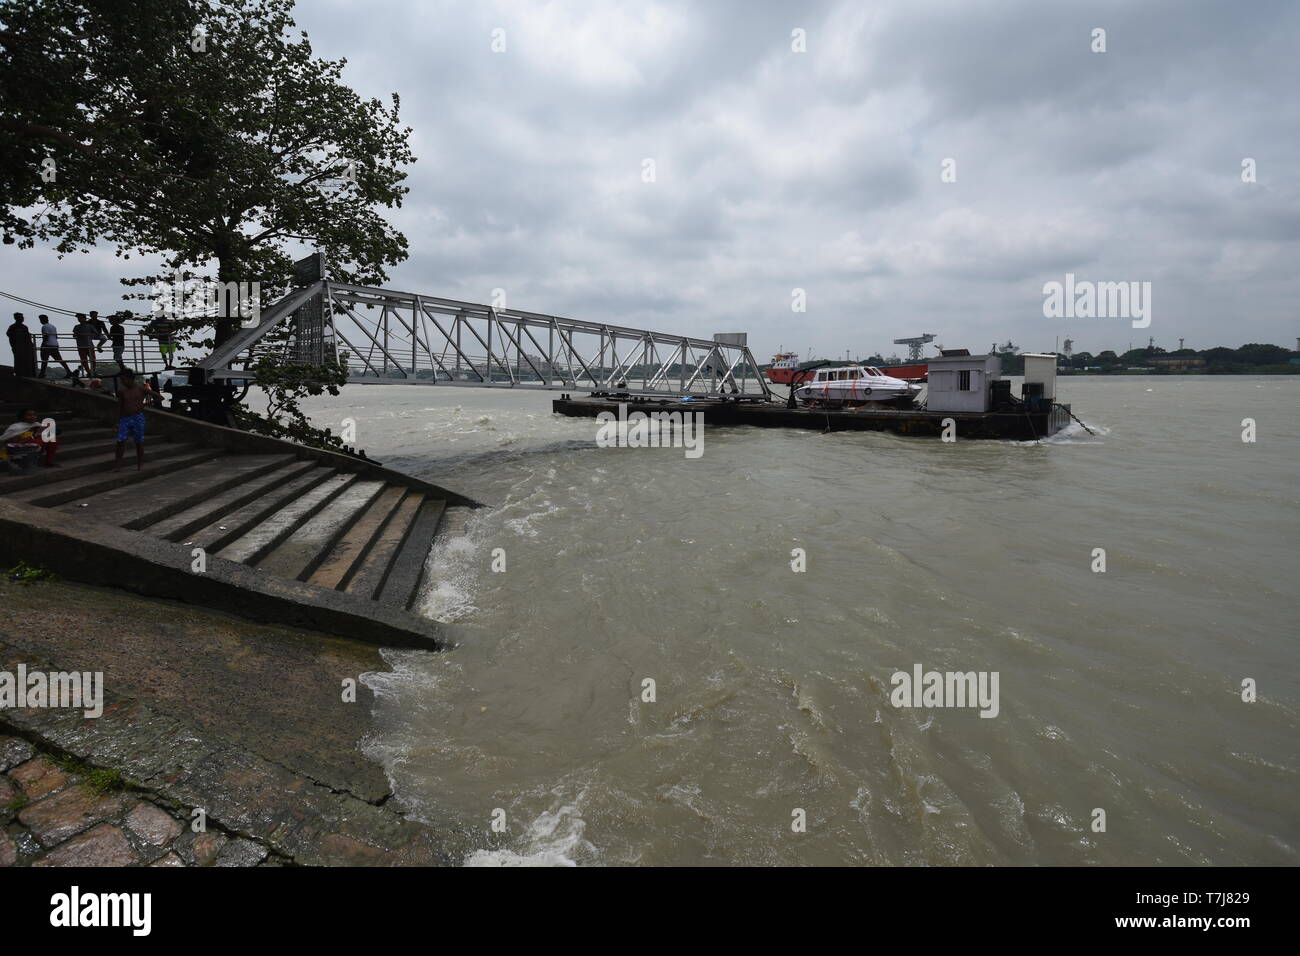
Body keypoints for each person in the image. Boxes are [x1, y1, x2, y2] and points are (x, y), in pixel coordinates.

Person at [114, 369, 149, 471]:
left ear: (130, 379)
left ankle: (140, 464)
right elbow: (120, 407)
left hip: (138, 417)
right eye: (121, 380)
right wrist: (117, 422)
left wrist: (144, 404)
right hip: (125, 418)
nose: (123, 382)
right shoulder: (122, 392)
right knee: (120, 441)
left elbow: (159, 397)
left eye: (124, 380)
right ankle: (118, 465)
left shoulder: (140, 389)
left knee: (139, 442)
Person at [6, 313, 37, 377]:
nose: (22, 319)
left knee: (26, 360)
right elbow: (9, 334)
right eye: (20, 317)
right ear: (16, 318)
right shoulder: (12, 327)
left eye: (22, 317)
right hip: (17, 347)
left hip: (26, 347)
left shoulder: (24, 327)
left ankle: (27, 373)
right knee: (18, 359)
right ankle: (19, 373)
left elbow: (28, 336)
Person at [72, 313, 98, 377]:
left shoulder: (90, 326)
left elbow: (96, 333)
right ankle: (88, 372)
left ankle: (93, 371)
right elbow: (74, 335)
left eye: (80, 318)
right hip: (81, 345)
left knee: (93, 359)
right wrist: (76, 335)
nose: (79, 319)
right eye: (78, 318)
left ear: (84, 318)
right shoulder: (77, 326)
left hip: (89, 345)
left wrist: (90, 336)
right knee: (84, 360)